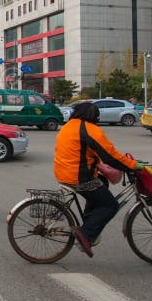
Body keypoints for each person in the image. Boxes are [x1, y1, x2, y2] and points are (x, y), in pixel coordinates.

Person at [53, 101, 144, 258]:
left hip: (64, 172)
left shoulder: (69, 126)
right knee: (110, 205)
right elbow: (110, 156)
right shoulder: (90, 129)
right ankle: (86, 234)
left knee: (102, 185)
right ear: (93, 116)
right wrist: (133, 166)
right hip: (79, 177)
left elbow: (86, 151)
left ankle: (89, 222)